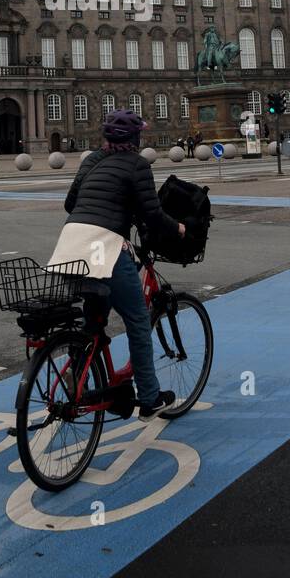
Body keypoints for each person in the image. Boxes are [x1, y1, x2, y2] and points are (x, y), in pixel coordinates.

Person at [49, 109, 185, 418]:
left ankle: (80, 374)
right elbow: (152, 215)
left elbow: (71, 204)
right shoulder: (137, 165)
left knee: (94, 321)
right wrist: (177, 228)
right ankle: (150, 399)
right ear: (136, 139)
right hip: (103, 249)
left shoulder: (90, 161)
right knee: (138, 320)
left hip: (70, 246)